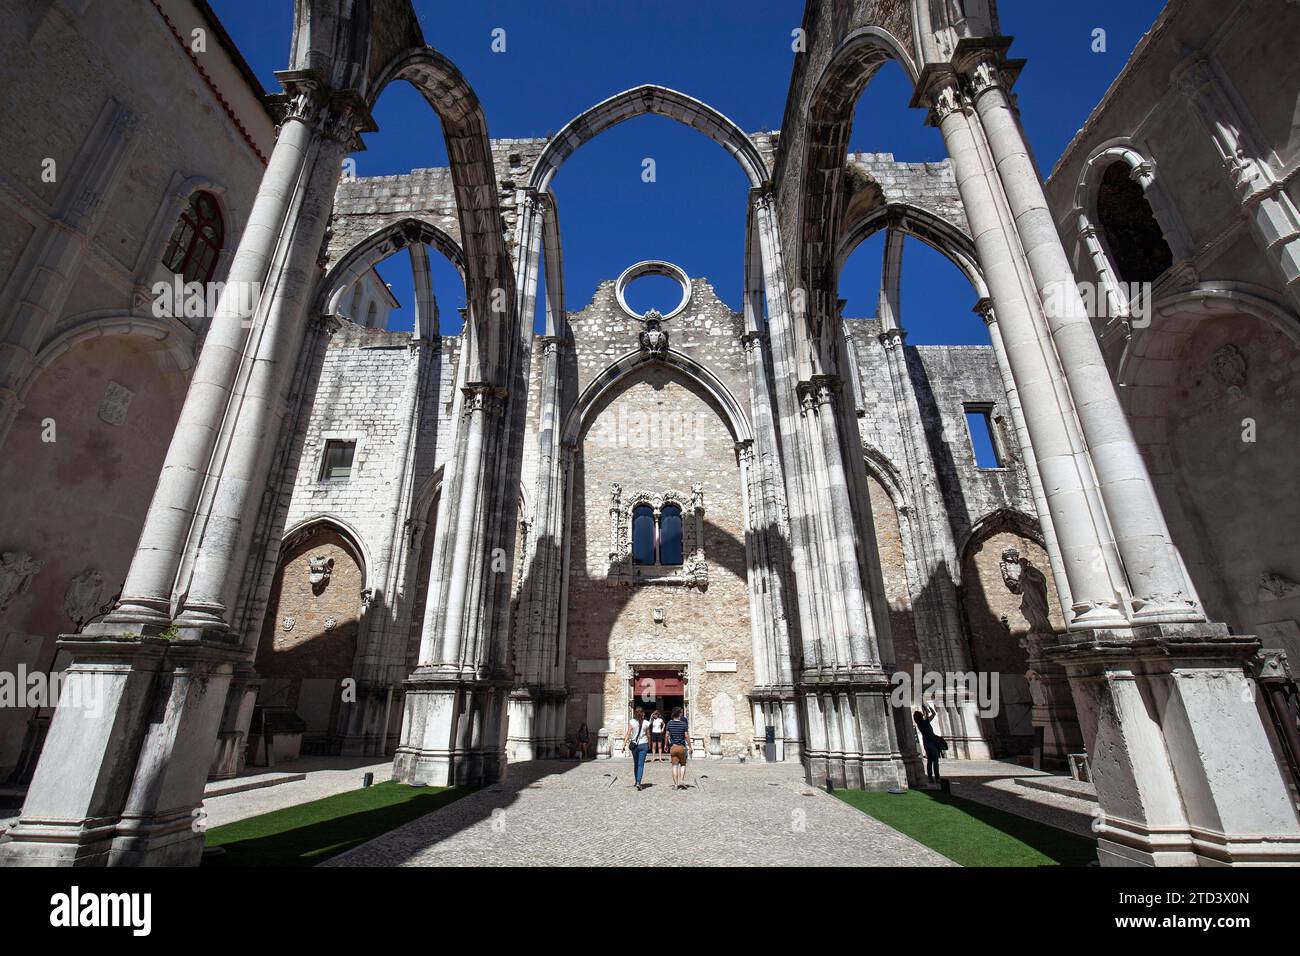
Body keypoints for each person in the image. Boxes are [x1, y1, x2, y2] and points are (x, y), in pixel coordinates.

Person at [913, 701, 943, 784]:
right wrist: (927, 706)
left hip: (926, 744)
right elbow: (933, 714)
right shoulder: (925, 722)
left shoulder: (920, 724)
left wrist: (924, 707)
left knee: (930, 761)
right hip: (932, 743)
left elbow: (926, 714)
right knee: (935, 761)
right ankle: (937, 778)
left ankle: (930, 777)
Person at [623, 706, 651, 790]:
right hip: (643, 745)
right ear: (643, 713)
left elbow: (628, 734)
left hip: (634, 745)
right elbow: (648, 735)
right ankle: (638, 782)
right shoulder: (646, 723)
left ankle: (636, 781)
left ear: (635, 713)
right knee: (641, 764)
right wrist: (649, 744)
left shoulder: (631, 722)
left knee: (636, 764)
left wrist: (623, 745)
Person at [665, 706, 692, 789]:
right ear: (680, 714)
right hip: (681, 747)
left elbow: (666, 735)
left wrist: (665, 745)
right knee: (683, 764)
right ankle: (682, 780)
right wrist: (690, 746)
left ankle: (676, 785)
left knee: (674, 766)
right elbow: (686, 736)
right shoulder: (683, 724)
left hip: (673, 747)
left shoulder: (669, 723)